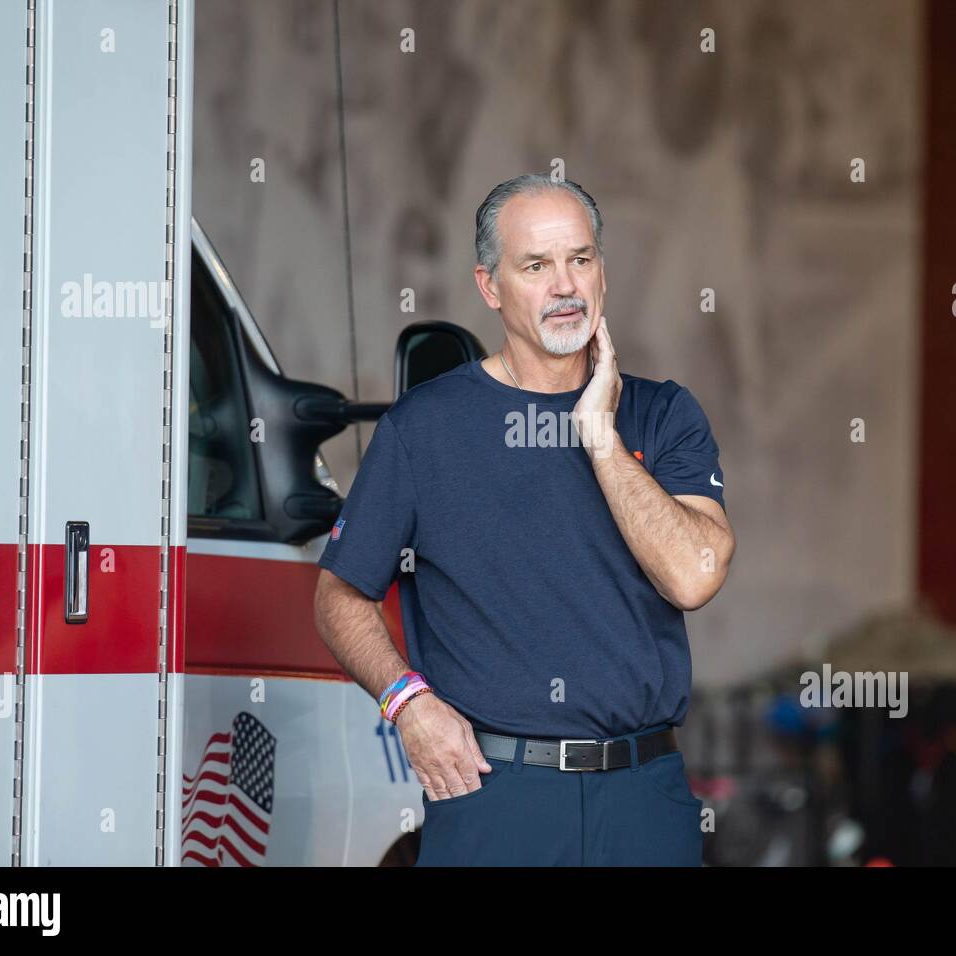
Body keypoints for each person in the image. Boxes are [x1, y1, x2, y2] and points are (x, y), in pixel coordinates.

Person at [314, 173, 735, 865]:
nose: (564, 285)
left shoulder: (662, 415)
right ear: (490, 286)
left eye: (581, 259)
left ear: (602, 271)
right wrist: (406, 703)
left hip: (645, 799)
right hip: (493, 797)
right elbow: (339, 595)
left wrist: (599, 432)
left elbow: (693, 577)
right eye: (536, 266)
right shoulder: (426, 429)